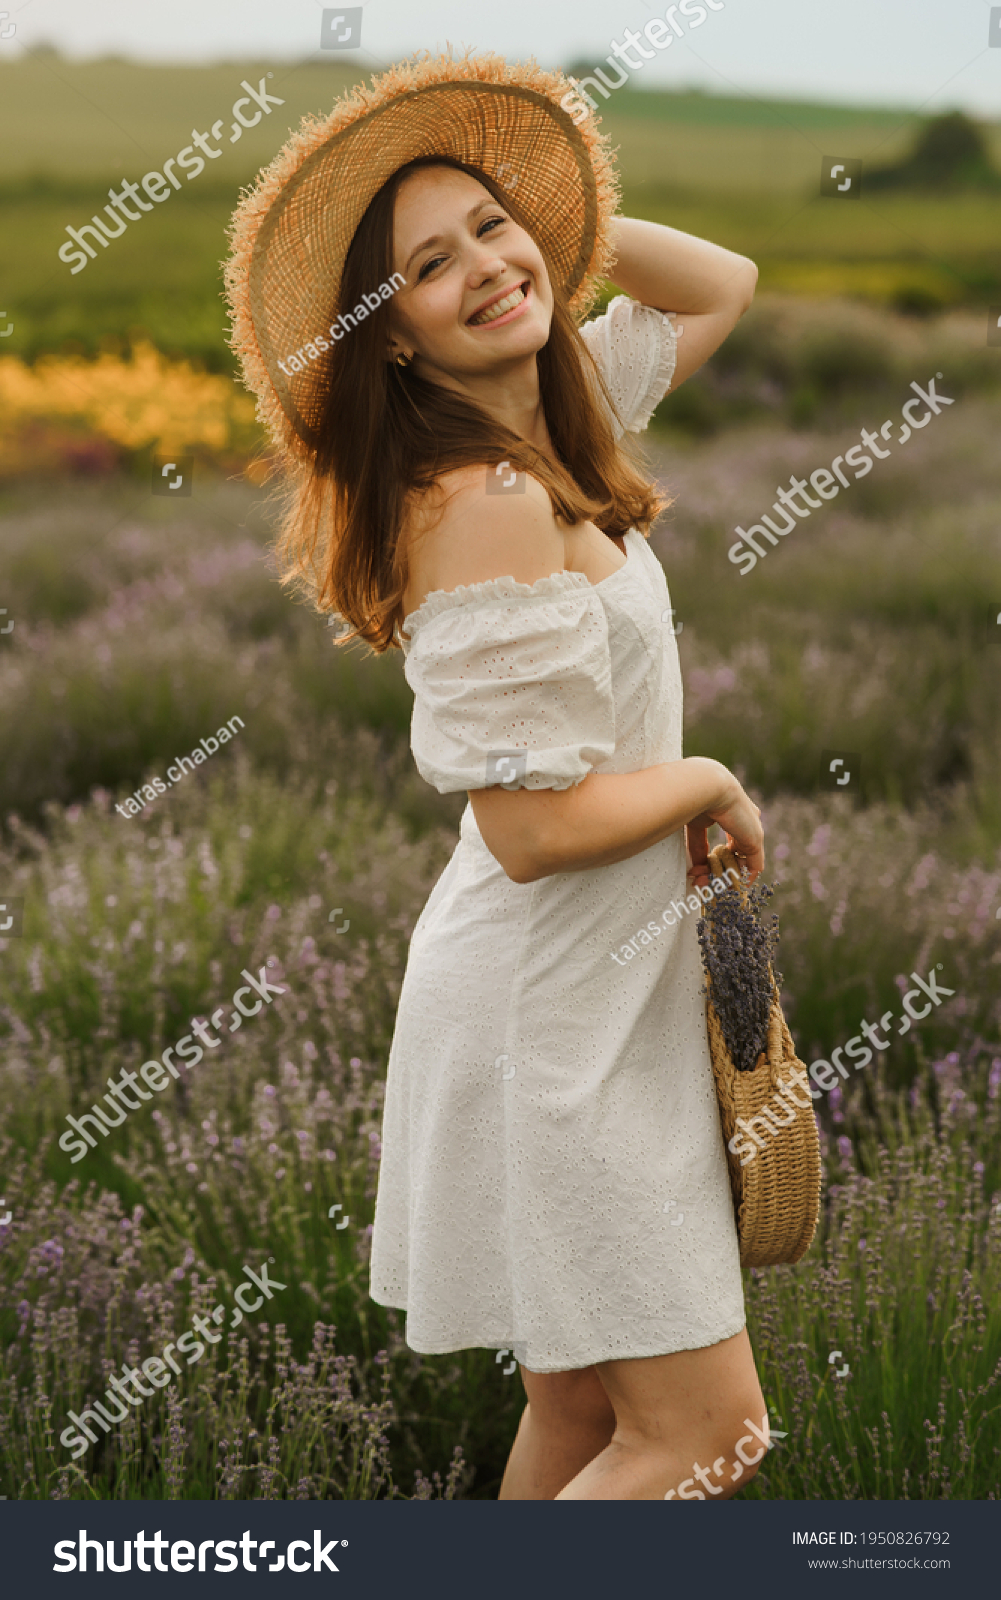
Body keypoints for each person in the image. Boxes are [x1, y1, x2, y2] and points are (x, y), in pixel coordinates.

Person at [225, 49, 767, 1502]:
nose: (481, 267)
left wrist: (555, 216)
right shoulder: (485, 500)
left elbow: (721, 281)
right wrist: (703, 778)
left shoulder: (551, 416)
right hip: (552, 1011)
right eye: (424, 266)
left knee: (589, 1417)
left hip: (586, 988)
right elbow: (531, 827)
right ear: (385, 338)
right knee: (706, 1437)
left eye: (489, 226)